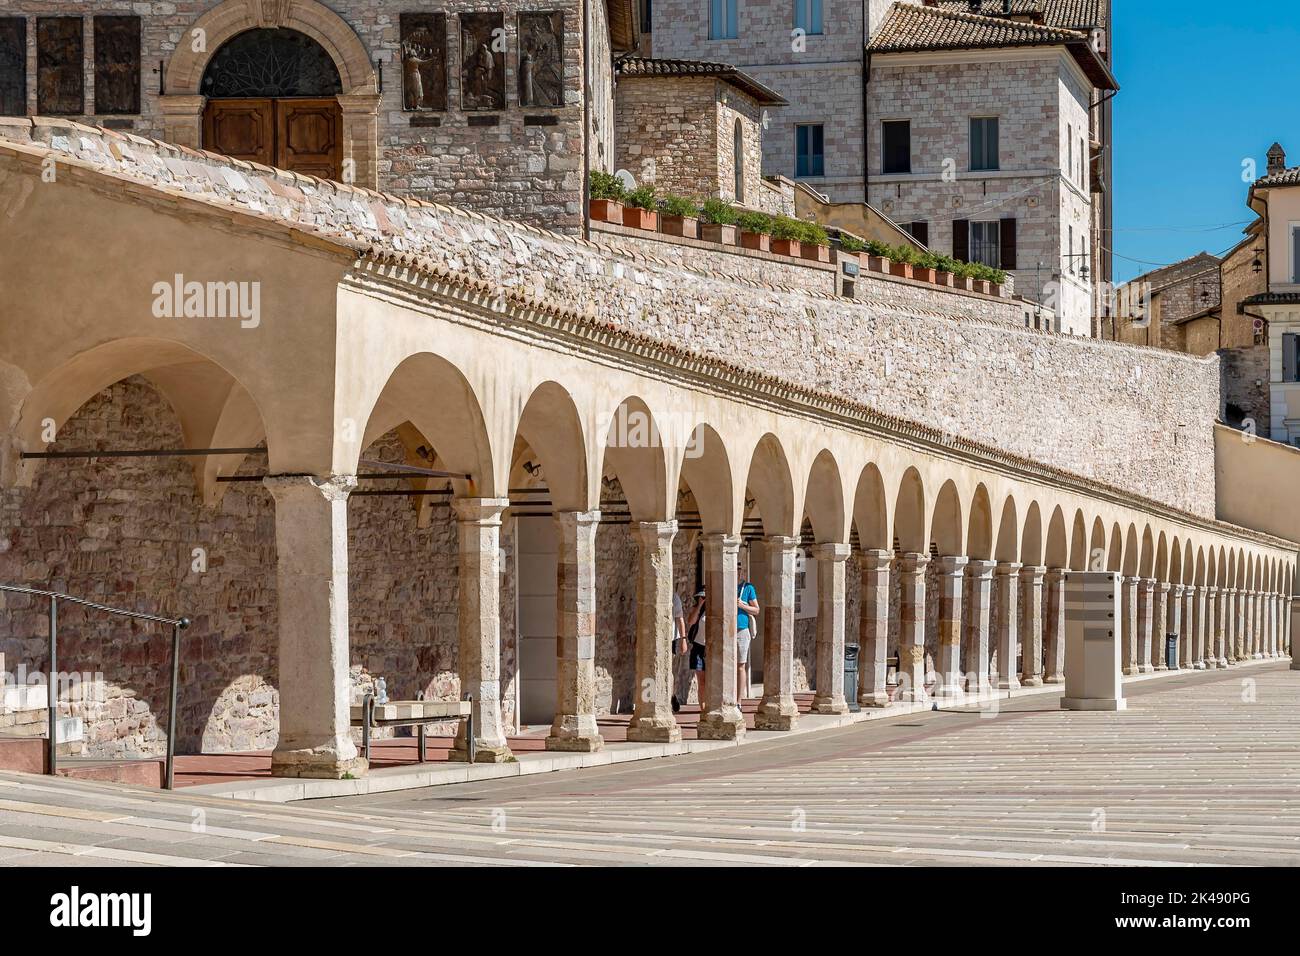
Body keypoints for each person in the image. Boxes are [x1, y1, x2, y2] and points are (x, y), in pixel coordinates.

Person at [736, 576, 760, 700]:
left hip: (741, 630)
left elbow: (756, 610)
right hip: (725, 630)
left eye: (739, 568)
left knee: (741, 665)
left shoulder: (747, 588)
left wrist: (742, 606)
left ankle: (739, 700)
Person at [686, 587, 706, 708]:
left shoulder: (718, 609)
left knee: (711, 682)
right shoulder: (698, 609)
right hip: (698, 647)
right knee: (702, 682)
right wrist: (700, 605)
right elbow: (691, 622)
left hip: (712, 648)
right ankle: (703, 709)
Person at [671, 590, 687, 712]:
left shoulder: (674, 597)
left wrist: (683, 639)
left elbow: (680, 618)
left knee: (670, 670)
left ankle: (671, 695)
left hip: (671, 639)